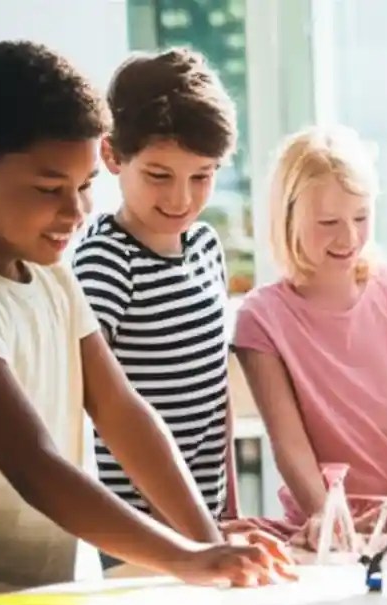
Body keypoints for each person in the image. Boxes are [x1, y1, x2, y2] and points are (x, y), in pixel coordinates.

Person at [0, 40, 291, 590]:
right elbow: (32, 461)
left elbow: (122, 411)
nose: (76, 211)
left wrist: (208, 543)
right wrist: (184, 557)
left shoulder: (53, 277)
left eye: (84, 187)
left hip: (39, 598)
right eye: (49, 189)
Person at [233, 126, 387, 535]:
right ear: (288, 218)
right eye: (328, 222)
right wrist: (328, 518)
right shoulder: (261, 318)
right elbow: (289, 442)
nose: (348, 237)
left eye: (361, 217)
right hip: (323, 531)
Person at [73, 48, 239, 525]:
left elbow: (217, 393)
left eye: (202, 176)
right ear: (111, 155)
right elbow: (100, 407)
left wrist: (229, 510)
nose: (181, 198)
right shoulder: (106, 261)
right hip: (140, 531)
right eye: (159, 176)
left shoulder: (206, 247)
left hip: (207, 521)